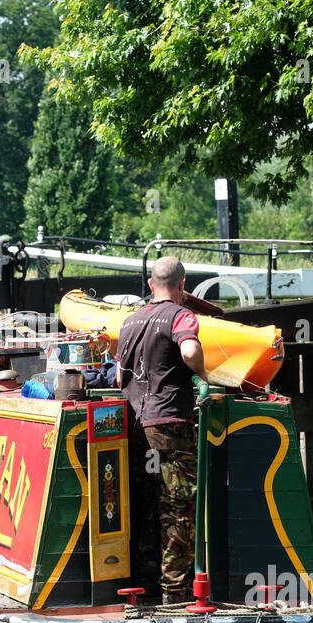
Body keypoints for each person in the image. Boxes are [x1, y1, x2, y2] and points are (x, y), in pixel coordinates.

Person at [116, 256, 207, 604]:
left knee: (146, 506)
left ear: (151, 285)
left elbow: (119, 378)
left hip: (136, 427)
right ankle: (175, 593)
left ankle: (146, 587)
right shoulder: (181, 316)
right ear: (182, 286)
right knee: (178, 508)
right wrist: (203, 375)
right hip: (169, 426)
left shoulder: (129, 323)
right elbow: (189, 349)